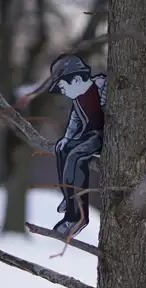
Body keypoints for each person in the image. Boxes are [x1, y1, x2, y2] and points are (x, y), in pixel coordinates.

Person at [47, 54, 107, 238]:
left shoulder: (102, 88)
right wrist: (66, 138)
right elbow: (74, 120)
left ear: (77, 79)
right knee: (62, 149)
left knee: (76, 157)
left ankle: (78, 218)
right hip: (88, 135)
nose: (62, 92)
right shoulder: (78, 98)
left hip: (103, 137)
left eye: (63, 87)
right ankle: (68, 195)